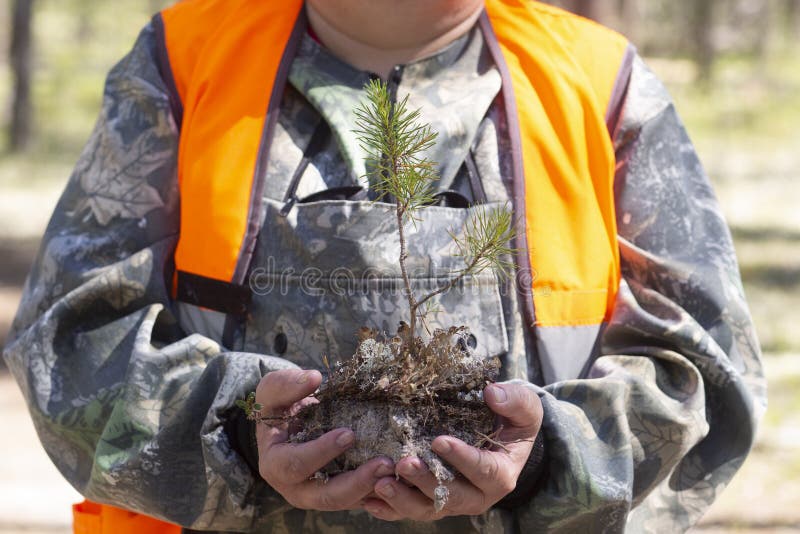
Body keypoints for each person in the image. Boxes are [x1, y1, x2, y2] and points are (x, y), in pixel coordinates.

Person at [2, 0, 766, 532]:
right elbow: (66, 344)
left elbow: (705, 376)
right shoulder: (182, 63)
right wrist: (232, 433)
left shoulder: (600, 86)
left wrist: (552, 458)